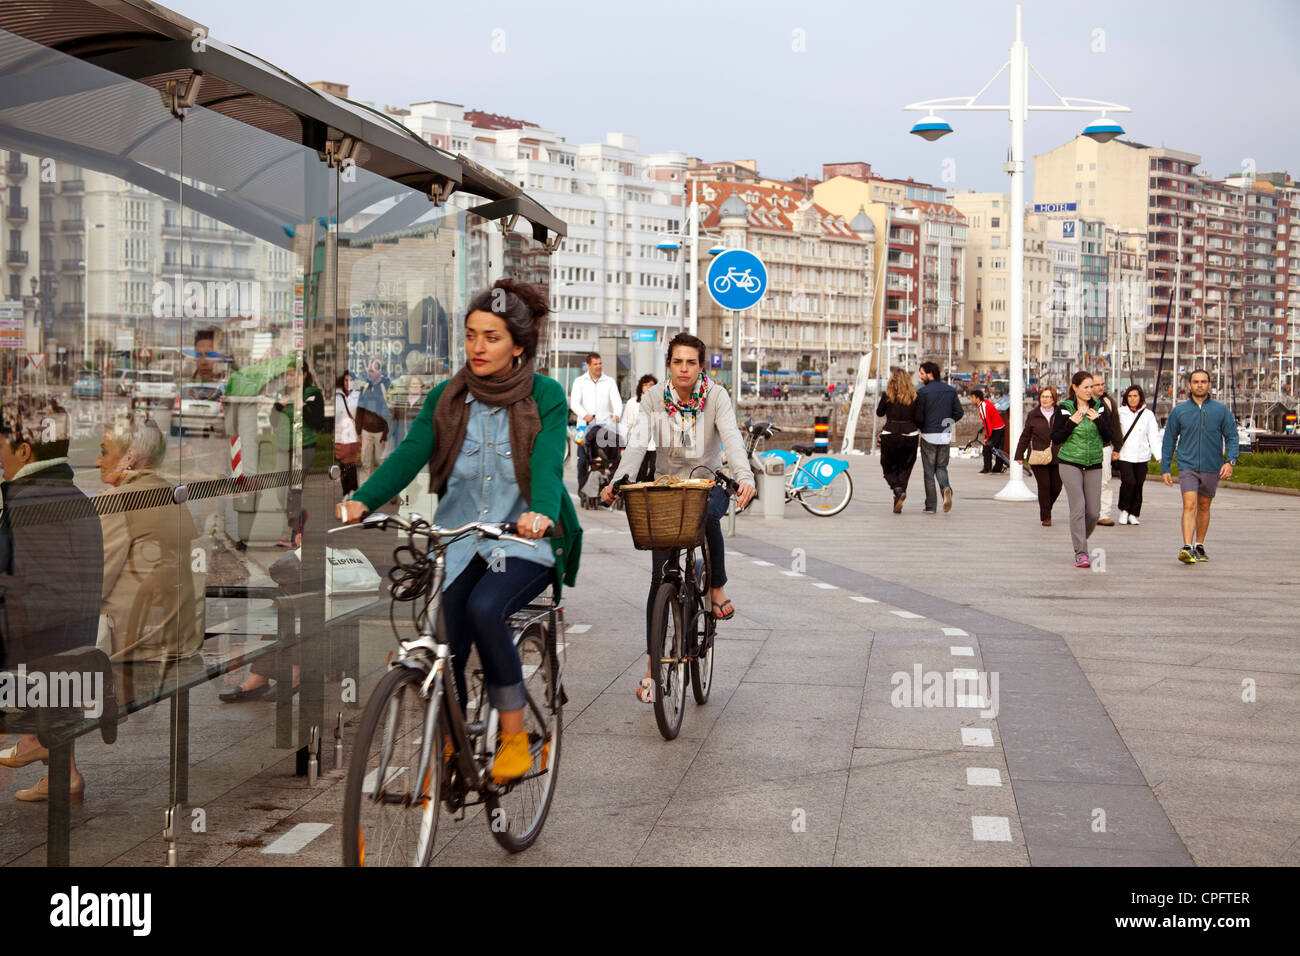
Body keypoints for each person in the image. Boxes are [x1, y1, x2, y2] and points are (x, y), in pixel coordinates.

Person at [336, 278, 581, 783]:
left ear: (518, 345)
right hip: (459, 539)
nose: (477, 347)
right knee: (445, 636)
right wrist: (362, 499)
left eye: (491, 337)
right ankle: (449, 743)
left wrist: (538, 512)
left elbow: (548, 464)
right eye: (471, 335)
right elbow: (409, 454)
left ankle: (513, 734)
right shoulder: (449, 397)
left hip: (523, 541)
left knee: (486, 609)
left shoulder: (546, 396)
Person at [602, 332, 756, 704]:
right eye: (677, 362)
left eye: (691, 362)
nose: (684, 368)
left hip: (709, 482)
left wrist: (745, 477)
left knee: (707, 520)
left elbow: (732, 440)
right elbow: (637, 444)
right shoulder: (654, 398)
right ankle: (653, 668)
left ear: (701, 366)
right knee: (660, 579)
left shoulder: (716, 397)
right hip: (667, 488)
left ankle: (715, 586)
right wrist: (618, 481)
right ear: (668, 365)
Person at [0, 397, 103, 801]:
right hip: (66, 660)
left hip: (36, 670)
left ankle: (38, 742)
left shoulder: (27, 502)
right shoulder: (71, 495)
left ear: (24, 451)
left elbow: (35, 599)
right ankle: (63, 774)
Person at [1160, 369, 1239, 564]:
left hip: (1212, 466)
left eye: (1203, 381)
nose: (1200, 385)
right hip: (1187, 465)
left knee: (1204, 506)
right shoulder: (1179, 411)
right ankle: (1187, 547)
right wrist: (1165, 467)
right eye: (1195, 381)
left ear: (1209, 384)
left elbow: (1232, 436)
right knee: (1189, 505)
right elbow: (1169, 439)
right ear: (1189, 385)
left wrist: (1231, 461)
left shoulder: (1221, 410)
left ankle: (1199, 545)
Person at [1051, 371, 1113, 568]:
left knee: (1094, 512)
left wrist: (1099, 421)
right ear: (1075, 387)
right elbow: (1056, 438)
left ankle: (1080, 539)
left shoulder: (1100, 408)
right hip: (1070, 462)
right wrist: (1071, 423)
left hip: (1094, 462)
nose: (1090, 391)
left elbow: (1108, 436)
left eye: (1091, 387)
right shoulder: (1064, 408)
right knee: (1078, 508)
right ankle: (1081, 552)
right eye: (1086, 387)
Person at [274, 364, 324, 548]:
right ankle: (300, 514)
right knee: (280, 492)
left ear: (303, 375)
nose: (288, 378)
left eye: (292, 374)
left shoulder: (312, 394)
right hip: (283, 447)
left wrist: (301, 405)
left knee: (294, 491)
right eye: (287, 374)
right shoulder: (283, 393)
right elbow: (273, 419)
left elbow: (317, 422)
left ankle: (292, 531)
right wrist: (280, 405)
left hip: (303, 448)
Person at [913, 361, 964, 514]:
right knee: (941, 467)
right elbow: (959, 412)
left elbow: (919, 416)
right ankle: (945, 488)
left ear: (930, 373)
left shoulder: (922, 392)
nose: (921, 377)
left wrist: (921, 426)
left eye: (922, 373)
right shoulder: (950, 390)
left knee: (929, 472)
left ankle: (930, 506)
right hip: (945, 435)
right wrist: (947, 423)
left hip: (929, 434)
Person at [569, 352, 621, 496]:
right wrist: (585, 415)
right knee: (582, 460)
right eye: (596, 364)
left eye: (600, 363)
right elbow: (574, 403)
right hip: (584, 427)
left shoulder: (609, 381)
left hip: (605, 427)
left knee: (608, 459)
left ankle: (606, 487)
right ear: (588, 366)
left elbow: (616, 401)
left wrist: (617, 414)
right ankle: (582, 487)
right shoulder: (580, 381)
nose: (599, 366)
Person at [1015, 385, 1062, 526]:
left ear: (1054, 399)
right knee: (1044, 486)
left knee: (1056, 487)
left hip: (1057, 455)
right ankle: (1046, 516)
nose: (1045, 399)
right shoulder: (1033, 415)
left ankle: (1047, 507)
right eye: (1043, 396)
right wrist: (1019, 454)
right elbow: (1025, 436)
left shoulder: (1061, 413)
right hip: (1038, 455)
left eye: (1048, 397)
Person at [1114, 384, 1160, 525]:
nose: (1132, 399)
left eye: (1135, 396)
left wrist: (1158, 455)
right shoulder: (1120, 412)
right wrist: (1114, 450)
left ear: (1140, 397)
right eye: (1130, 396)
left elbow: (1153, 435)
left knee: (1139, 484)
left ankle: (1134, 513)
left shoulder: (1148, 415)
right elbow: (1114, 433)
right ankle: (1124, 510)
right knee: (1129, 482)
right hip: (1125, 455)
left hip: (1142, 455)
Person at [875, 369, 919, 514]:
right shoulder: (914, 396)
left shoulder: (888, 395)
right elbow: (919, 419)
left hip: (891, 433)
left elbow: (879, 412)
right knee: (905, 467)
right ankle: (899, 495)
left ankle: (897, 489)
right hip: (910, 434)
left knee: (887, 465)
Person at [355, 359, 391, 487]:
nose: (369, 373)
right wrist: (358, 431)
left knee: (381, 462)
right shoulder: (365, 387)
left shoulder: (385, 387)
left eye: (372, 370)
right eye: (368, 370)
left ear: (379, 372)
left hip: (380, 432)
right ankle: (364, 489)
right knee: (365, 462)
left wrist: (386, 435)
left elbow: (390, 412)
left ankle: (384, 488)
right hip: (366, 431)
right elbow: (360, 410)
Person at [1093, 373, 1121, 526]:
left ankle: (1104, 513)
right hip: (1085, 448)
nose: (1100, 387)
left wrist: (1117, 447)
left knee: (1105, 481)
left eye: (1102, 384)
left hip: (1104, 447)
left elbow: (1115, 425)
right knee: (1086, 483)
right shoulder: (1080, 402)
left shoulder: (1109, 402)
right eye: (1096, 385)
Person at [622, 374, 659, 483]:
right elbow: (625, 425)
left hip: (655, 444)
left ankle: (650, 490)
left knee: (654, 470)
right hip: (638, 443)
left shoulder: (660, 403)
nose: (648, 387)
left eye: (651, 385)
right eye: (646, 384)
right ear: (641, 387)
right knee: (640, 471)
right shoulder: (632, 403)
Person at [334, 371, 360, 497]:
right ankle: (345, 491)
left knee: (351, 463)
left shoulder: (358, 395)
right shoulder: (337, 395)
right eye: (345, 380)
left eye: (350, 380)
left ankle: (353, 490)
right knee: (343, 463)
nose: (347, 383)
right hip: (341, 433)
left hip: (353, 433)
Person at [971, 389, 1006, 474]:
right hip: (1001, 427)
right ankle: (998, 468)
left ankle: (987, 468)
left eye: (972, 397)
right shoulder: (986, 402)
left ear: (977, 398)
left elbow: (987, 423)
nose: (971, 400)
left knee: (986, 448)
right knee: (998, 449)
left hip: (996, 429)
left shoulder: (982, 406)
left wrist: (987, 437)